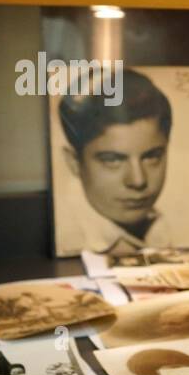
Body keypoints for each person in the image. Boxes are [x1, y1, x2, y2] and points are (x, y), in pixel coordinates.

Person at [57, 70, 175, 255]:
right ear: (74, 162)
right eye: (112, 160)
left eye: (151, 156)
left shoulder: (164, 229)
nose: (138, 181)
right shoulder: (67, 240)